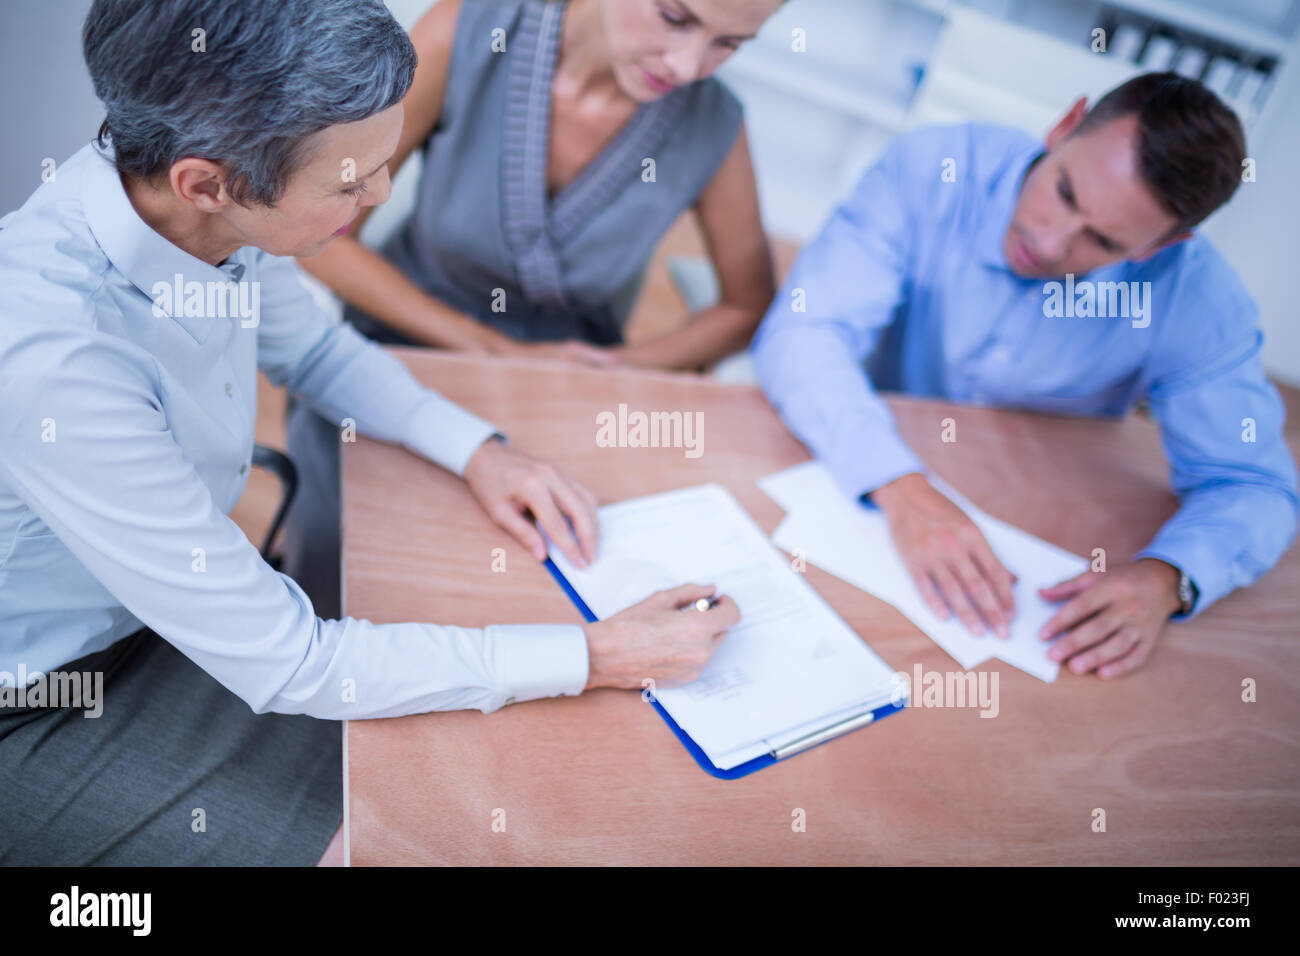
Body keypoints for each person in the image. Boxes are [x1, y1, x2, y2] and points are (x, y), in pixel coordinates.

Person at [0, 0, 737, 867]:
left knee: (459, 755)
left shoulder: (193, 207)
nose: (381, 196)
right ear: (208, 181)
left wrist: (480, 450)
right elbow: (290, 661)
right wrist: (598, 652)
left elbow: (313, 347)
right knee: (406, 832)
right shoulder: (54, 351)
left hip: (162, 619)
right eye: (350, 184)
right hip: (42, 700)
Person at [752, 72, 1298, 679]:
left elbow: (1255, 485)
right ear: (1064, 126)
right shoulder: (934, 168)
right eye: (1065, 191)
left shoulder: (1200, 300)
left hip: (1038, 522)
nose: (1051, 242)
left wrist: (1170, 577)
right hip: (859, 474)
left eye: (1104, 239)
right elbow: (806, 332)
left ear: (1162, 246)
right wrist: (901, 487)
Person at [281, 0, 781, 617]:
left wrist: (620, 366)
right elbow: (324, 241)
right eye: (675, 18)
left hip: (568, 395)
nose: (686, 65)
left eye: (730, 45)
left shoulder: (715, 126)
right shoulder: (464, 35)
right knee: (356, 592)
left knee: (548, 594)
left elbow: (746, 306)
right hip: (399, 356)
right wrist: (497, 351)